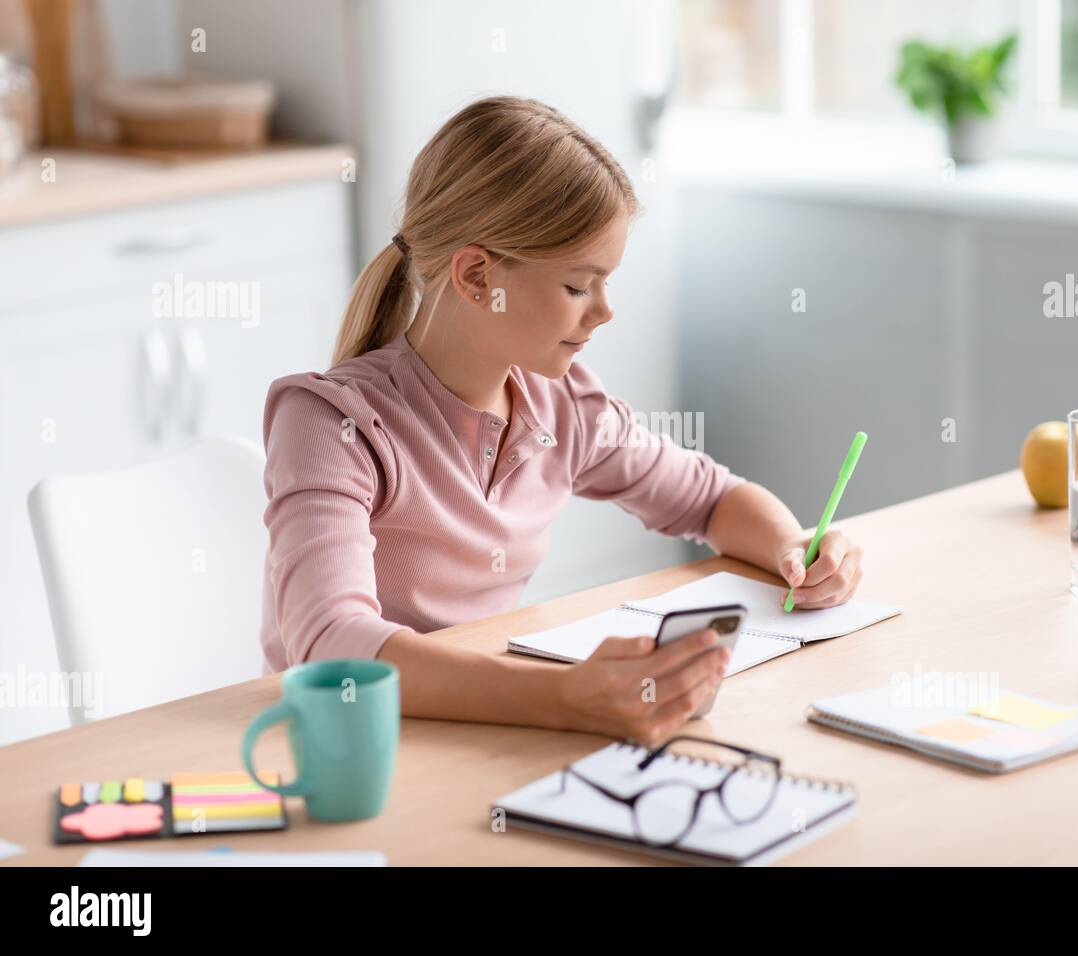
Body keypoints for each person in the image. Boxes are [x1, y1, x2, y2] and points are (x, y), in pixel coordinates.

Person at [260, 96, 864, 743]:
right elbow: (331, 646)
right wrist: (566, 699)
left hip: (485, 729)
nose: (605, 311)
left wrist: (790, 546)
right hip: (343, 745)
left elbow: (710, 497)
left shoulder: (563, 405)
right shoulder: (331, 423)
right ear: (475, 276)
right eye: (579, 285)